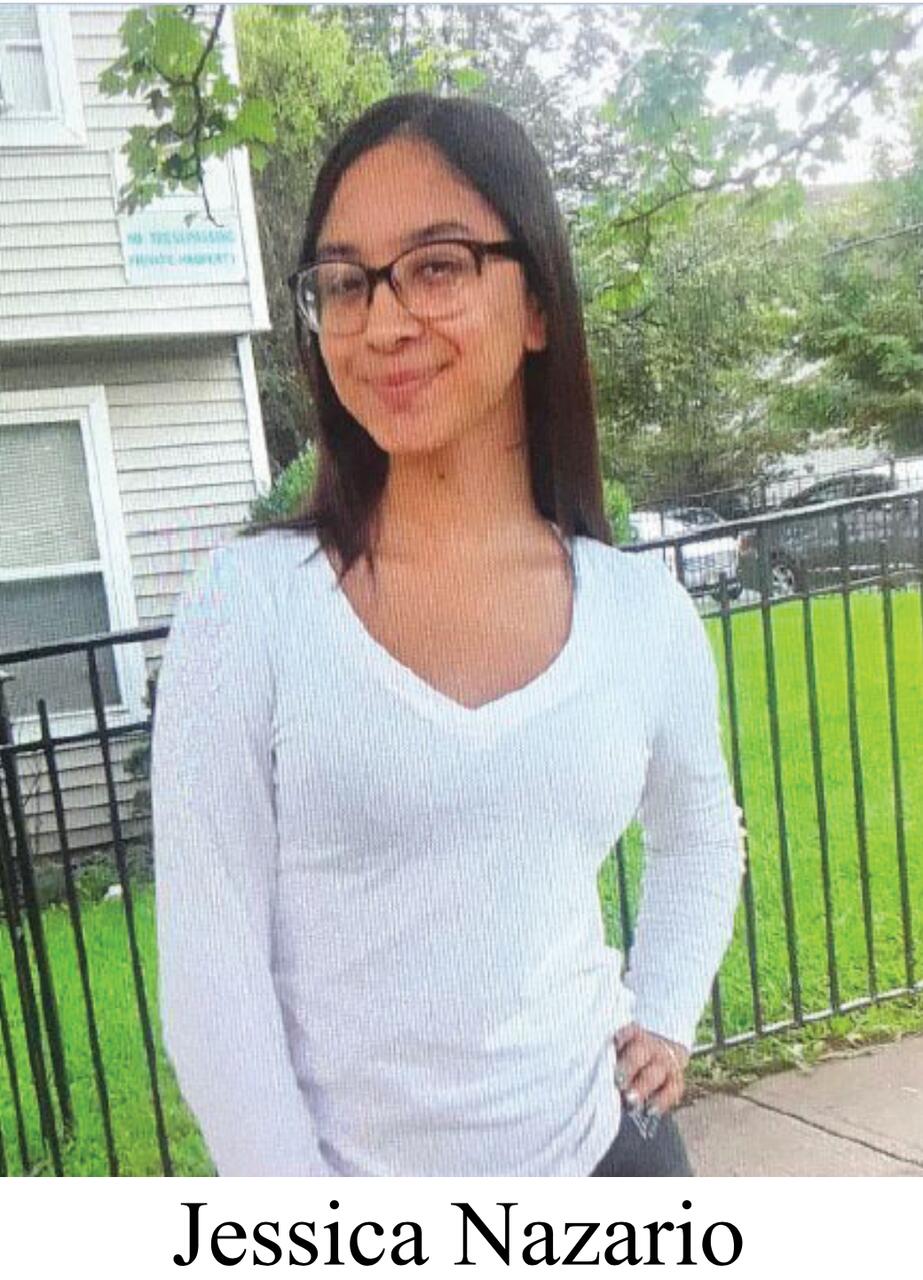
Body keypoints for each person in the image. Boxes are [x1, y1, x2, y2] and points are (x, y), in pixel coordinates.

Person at [151, 92, 746, 1178]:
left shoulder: (639, 612)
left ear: (537, 304)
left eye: (436, 266)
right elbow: (210, 970)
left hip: (607, 1159)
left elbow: (701, 829)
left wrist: (663, 1007)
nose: (381, 322)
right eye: (344, 282)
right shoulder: (248, 608)